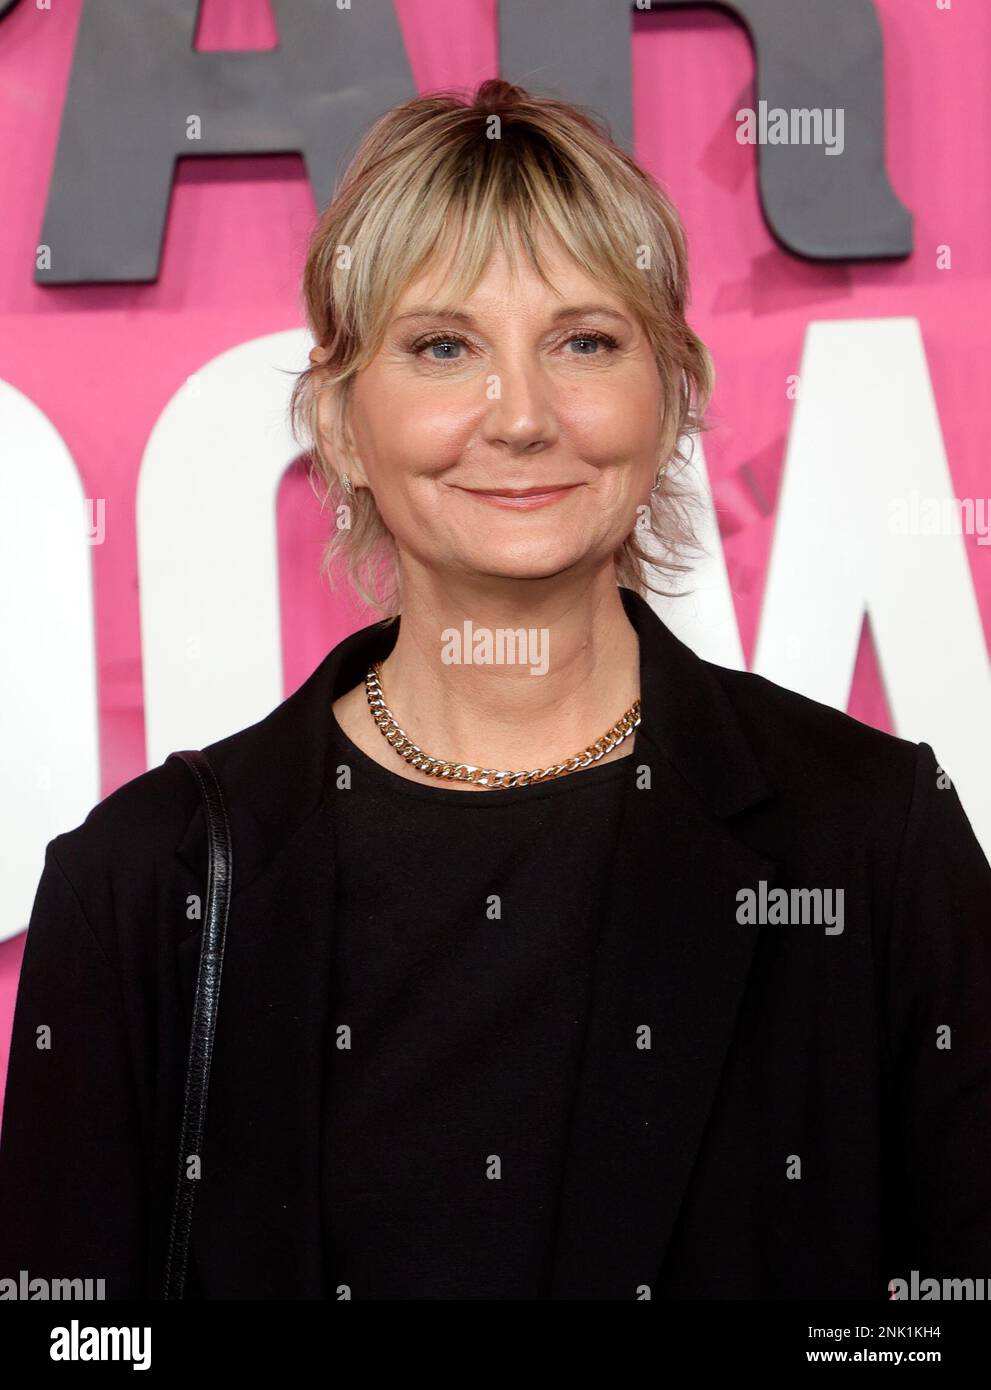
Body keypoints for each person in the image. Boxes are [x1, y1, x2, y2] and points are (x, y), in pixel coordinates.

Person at [1, 79, 990, 1301]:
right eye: (442, 347)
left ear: (672, 390)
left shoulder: (868, 837)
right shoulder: (142, 883)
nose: (519, 417)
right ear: (342, 422)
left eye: (583, 341)